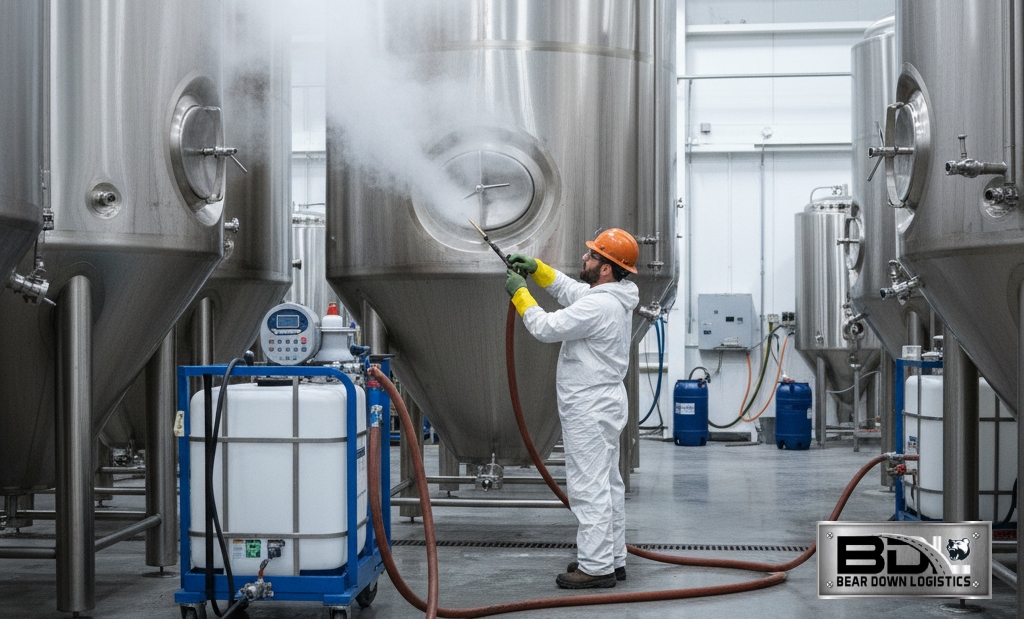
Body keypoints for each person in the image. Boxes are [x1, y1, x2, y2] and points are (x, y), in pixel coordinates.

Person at [503, 228, 640, 590]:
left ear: (607, 268)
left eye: (593, 256)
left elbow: (546, 327)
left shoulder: (599, 304)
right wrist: (537, 268)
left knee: (588, 486)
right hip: (605, 401)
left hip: (589, 406)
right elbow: (569, 290)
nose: (585, 258)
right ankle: (613, 558)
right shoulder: (614, 295)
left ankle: (596, 568)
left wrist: (520, 292)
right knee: (608, 483)